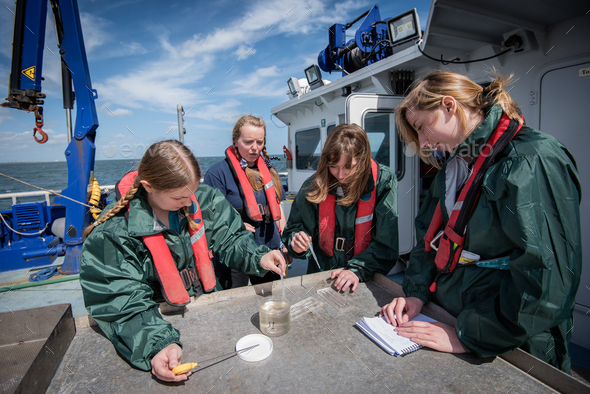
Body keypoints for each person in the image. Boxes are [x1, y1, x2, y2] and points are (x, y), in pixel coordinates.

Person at [380, 71, 581, 373]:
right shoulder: (456, 164)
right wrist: (415, 294)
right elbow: (429, 238)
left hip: (513, 342)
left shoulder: (531, 159)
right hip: (453, 316)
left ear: (449, 105)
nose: (422, 142)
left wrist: (471, 335)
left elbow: (547, 279)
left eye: (422, 127)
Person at [80, 140, 285, 382]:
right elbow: (120, 301)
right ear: (148, 187)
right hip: (158, 322)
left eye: (192, 193)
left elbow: (232, 239)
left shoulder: (205, 199)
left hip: (209, 315)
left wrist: (258, 256)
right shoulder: (112, 235)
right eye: (179, 198)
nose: (189, 203)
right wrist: (157, 345)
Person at [282, 123, 399, 292]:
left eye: (348, 167)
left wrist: (356, 270)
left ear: (363, 160)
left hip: (364, 276)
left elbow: (386, 243)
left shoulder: (384, 182)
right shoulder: (313, 185)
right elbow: (294, 227)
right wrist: (296, 242)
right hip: (321, 274)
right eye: (333, 166)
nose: (340, 175)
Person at [204, 115, 288, 289]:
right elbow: (211, 218)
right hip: (236, 252)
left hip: (269, 246)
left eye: (259, 142)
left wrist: (284, 242)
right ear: (236, 141)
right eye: (248, 142)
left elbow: (277, 206)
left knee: (272, 300)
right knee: (233, 303)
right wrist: (236, 224)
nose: (255, 148)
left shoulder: (269, 170)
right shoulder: (217, 173)